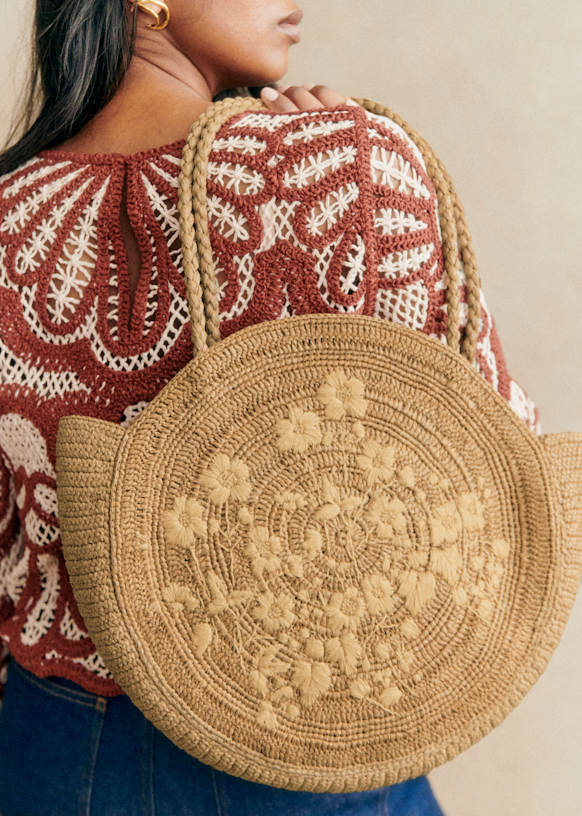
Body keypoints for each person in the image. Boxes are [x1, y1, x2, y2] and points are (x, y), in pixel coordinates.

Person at [0, 1, 541, 814]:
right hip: (295, 734)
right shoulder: (343, 166)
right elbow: (494, 450)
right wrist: (364, 175)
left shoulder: (10, 213)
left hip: (57, 746)